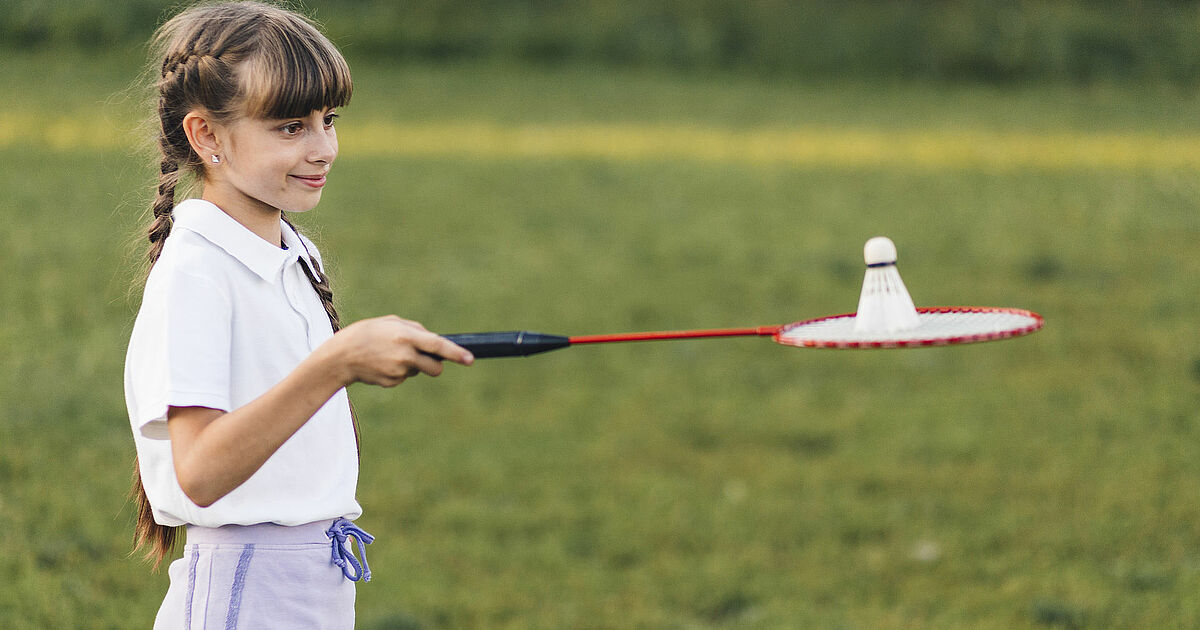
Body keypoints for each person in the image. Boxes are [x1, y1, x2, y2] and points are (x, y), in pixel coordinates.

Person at [123, 2, 474, 627]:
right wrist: (336, 364)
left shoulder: (289, 249)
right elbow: (198, 471)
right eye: (291, 127)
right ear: (207, 137)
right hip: (244, 597)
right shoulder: (196, 271)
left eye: (328, 120)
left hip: (312, 586)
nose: (324, 148)